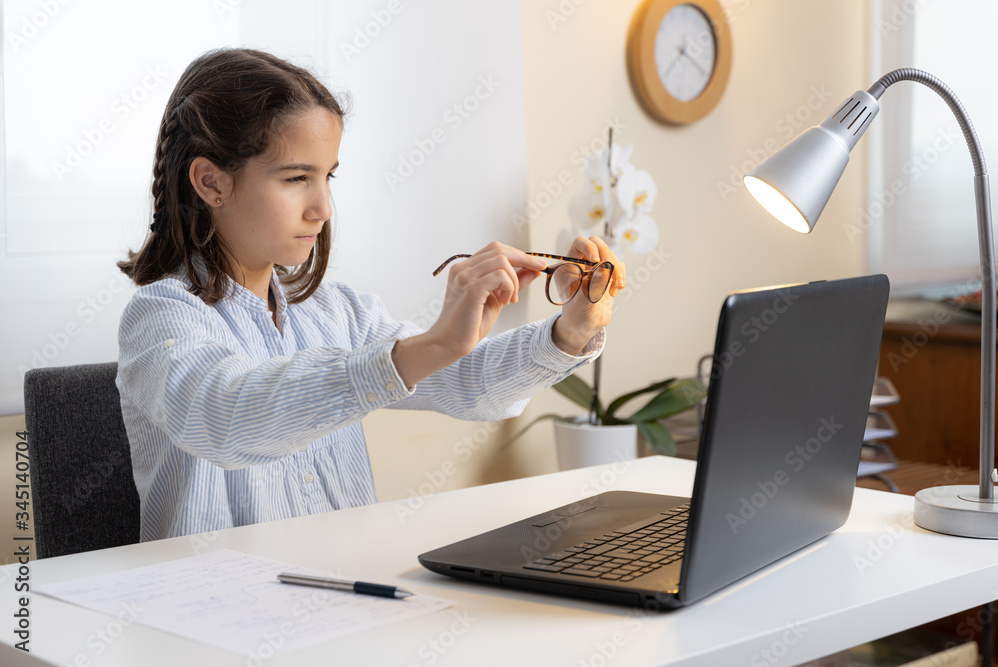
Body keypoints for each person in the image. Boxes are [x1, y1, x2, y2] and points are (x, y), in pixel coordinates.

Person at [116, 47, 625, 541]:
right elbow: (227, 417)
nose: (323, 208)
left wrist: (571, 330)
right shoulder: (159, 319)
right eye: (296, 178)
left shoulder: (337, 312)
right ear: (210, 183)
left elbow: (471, 384)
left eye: (328, 176)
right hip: (217, 597)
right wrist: (430, 346)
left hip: (345, 585)